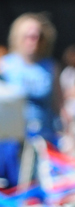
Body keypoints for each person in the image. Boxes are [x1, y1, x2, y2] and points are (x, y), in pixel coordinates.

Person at [0, 14, 61, 183]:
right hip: (12, 142)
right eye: (28, 36)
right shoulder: (6, 65)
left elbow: (59, 103)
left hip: (43, 138)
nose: (33, 40)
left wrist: (67, 133)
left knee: (41, 185)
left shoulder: (50, 67)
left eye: (38, 36)